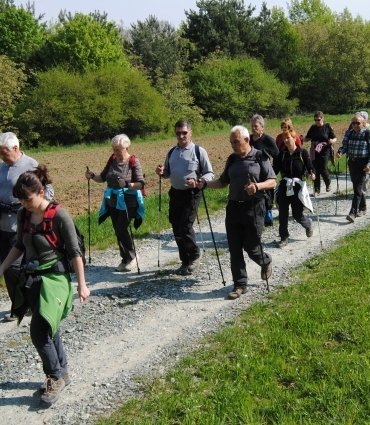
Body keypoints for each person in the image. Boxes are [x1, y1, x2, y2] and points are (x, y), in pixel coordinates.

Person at [0, 166, 90, 407]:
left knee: (39, 331)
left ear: (42, 192)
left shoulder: (59, 216)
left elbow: (75, 253)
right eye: (21, 200)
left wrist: (82, 285)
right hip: (33, 280)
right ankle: (62, 371)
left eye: (28, 199)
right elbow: (19, 246)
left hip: (55, 281)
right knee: (48, 326)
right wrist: (2, 269)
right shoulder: (24, 216)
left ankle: (54, 377)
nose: (24, 204)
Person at [0, 132, 53, 322]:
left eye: (3, 153)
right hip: (2, 223)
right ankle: (21, 304)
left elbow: (48, 190)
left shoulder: (31, 165)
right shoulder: (2, 166)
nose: (1, 157)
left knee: (14, 266)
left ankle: (24, 305)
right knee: (8, 267)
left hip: (22, 223)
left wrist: (36, 210)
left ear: (15, 148)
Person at [204, 126, 275, 300]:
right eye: (231, 143)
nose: (233, 146)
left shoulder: (259, 157)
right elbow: (222, 182)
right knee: (235, 248)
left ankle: (265, 261)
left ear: (246, 140)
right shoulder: (232, 160)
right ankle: (239, 284)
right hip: (234, 207)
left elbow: (272, 181)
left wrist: (257, 186)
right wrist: (203, 184)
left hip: (254, 206)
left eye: (236, 142)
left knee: (251, 246)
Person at [155, 121, 215, 276]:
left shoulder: (198, 151)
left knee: (185, 226)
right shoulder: (171, 152)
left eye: (184, 133)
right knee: (176, 228)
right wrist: (162, 172)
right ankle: (185, 261)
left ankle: (195, 255)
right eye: (178, 133)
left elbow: (209, 173)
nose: (181, 136)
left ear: (191, 132)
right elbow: (168, 172)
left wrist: (198, 182)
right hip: (175, 193)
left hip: (192, 194)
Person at [85, 134, 145, 272]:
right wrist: (92, 176)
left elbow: (141, 184)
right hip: (112, 201)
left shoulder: (134, 161)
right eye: (114, 150)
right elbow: (103, 178)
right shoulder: (112, 160)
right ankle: (125, 259)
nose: (116, 153)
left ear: (127, 147)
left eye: (119, 150)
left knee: (121, 229)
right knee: (117, 230)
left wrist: (127, 184)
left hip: (129, 202)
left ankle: (133, 256)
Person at [273, 130, 315, 247]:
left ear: (294, 138)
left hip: (297, 187)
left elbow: (310, 167)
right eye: (284, 139)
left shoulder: (302, 153)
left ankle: (308, 224)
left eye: (288, 138)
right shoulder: (282, 155)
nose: (286, 140)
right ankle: (284, 237)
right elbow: (274, 170)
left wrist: (312, 174)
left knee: (297, 214)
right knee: (283, 213)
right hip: (284, 186)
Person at [337, 115, 370, 223]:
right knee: (356, 186)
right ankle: (363, 207)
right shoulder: (349, 133)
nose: (355, 125)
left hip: (363, 164)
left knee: (358, 188)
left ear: (363, 123)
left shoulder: (368, 133)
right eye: (353, 123)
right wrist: (340, 152)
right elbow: (344, 146)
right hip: (352, 163)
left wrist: (369, 164)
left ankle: (352, 213)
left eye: (357, 123)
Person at [250, 114, 280, 227]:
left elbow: (277, 154)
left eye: (256, 126)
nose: (253, 128)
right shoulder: (249, 139)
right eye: (252, 126)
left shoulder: (268, 140)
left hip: (264, 172)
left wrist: (273, 171)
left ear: (262, 127)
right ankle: (255, 219)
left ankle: (268, 218)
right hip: (252, 172)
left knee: (267, 195)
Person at [304, 111, 336, 195]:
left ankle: (328, 183)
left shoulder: (327, 126)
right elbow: (308, 138)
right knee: (315, 169)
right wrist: (300, 139)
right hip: (315, 151)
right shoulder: (313, 127)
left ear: (322, 118)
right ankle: (317, 190)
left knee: (323, 167)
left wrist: (332, 141)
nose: (317, 121)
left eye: (318, 120)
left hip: (325, 150)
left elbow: (334, 138)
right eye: (315, 120)